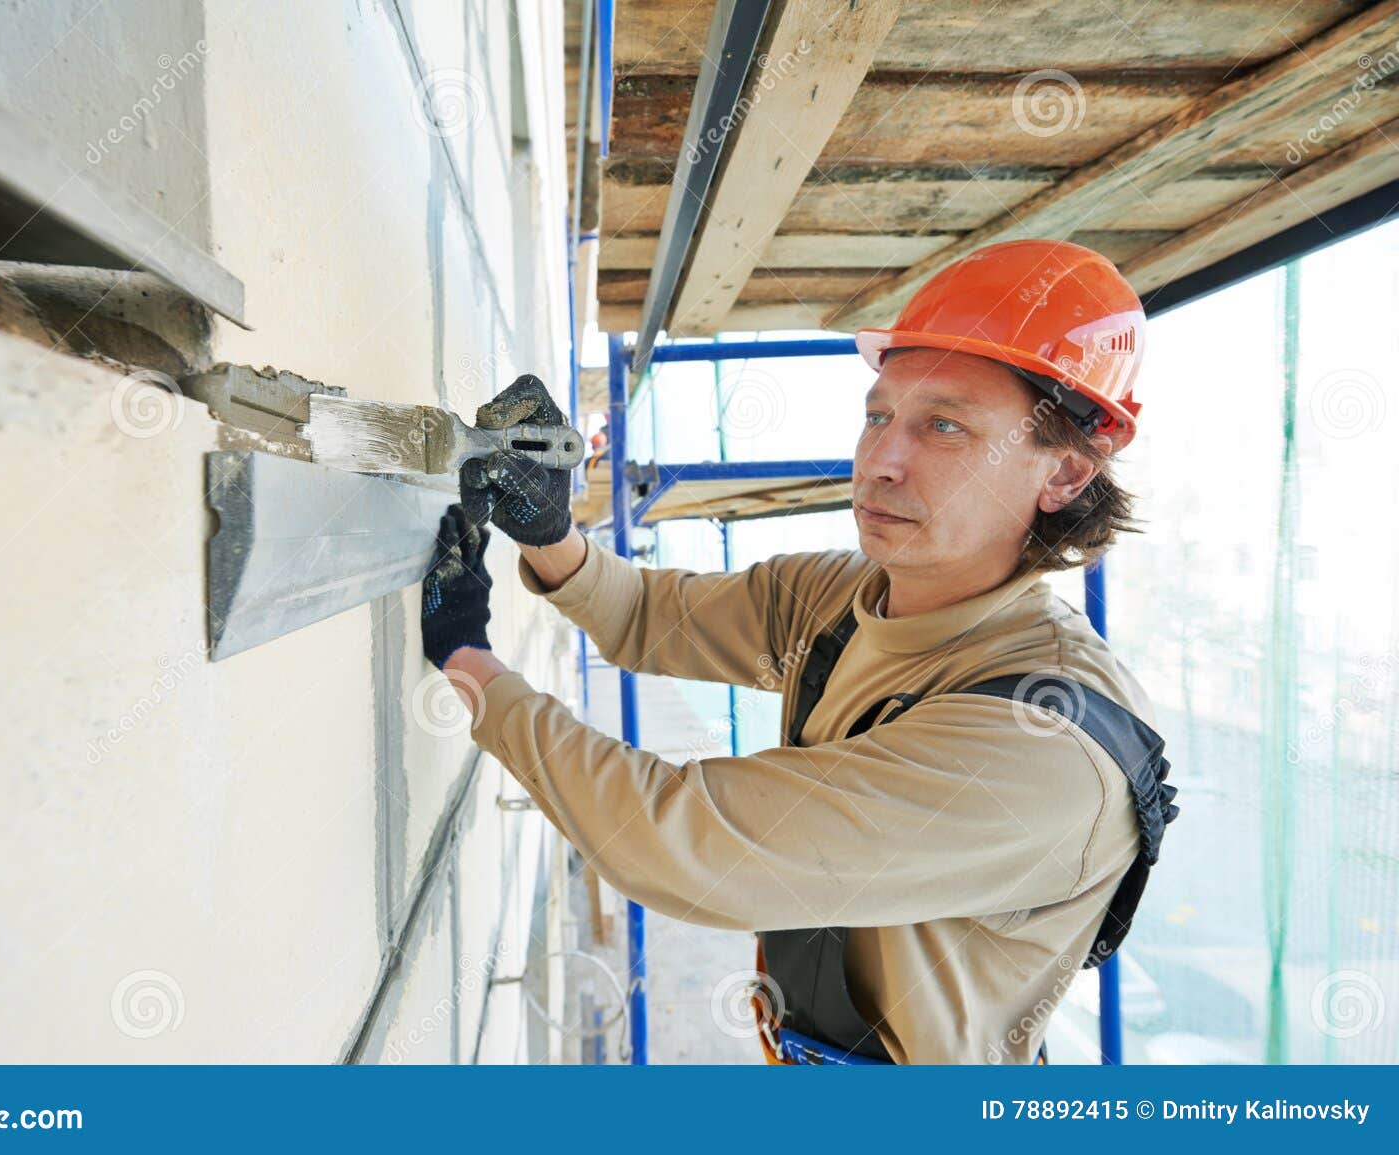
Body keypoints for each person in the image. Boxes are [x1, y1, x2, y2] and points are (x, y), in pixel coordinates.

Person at [418, 239, 1179, 1065]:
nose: (881, 461)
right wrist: (547, 531)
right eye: (879, 414)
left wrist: (470, 663)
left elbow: (672, 840)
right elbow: (648, 616)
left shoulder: (1044, 745)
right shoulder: (845, 597)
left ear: (1064, 475)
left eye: (945, 425)